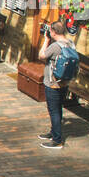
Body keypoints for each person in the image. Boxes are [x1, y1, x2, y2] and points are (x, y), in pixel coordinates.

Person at [38, 20, 77, 150]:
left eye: (50, 31)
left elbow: (41, 56)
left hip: (52, 83)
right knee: (58, 109)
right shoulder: (71, 43)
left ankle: (57, 140)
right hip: (64, 82)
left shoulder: (56, 46)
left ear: (53, 32)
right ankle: (54, 132)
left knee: (53, 111)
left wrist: (46, 40)